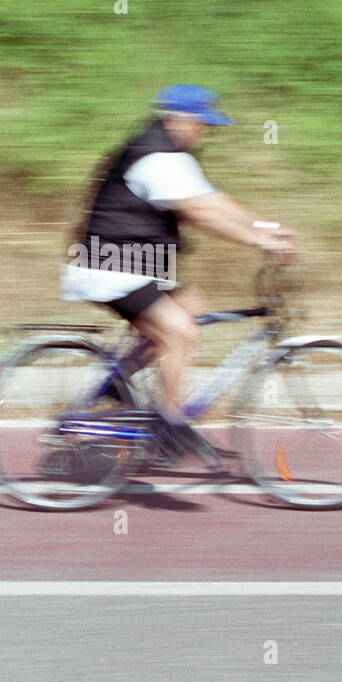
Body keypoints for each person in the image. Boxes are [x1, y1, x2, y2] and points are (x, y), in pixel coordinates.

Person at [61, 84, 296, 455]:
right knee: (179, 333)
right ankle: (168, 426)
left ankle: (116, 387)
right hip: (110, 265)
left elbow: (215, 201)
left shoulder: (171, 154)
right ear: (179, 119)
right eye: (202, 123)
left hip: (131, 262)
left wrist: (266, 228)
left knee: (190, 306)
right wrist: (258, 242)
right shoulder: (157, 157)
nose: (206, 131)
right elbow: (198, 212)